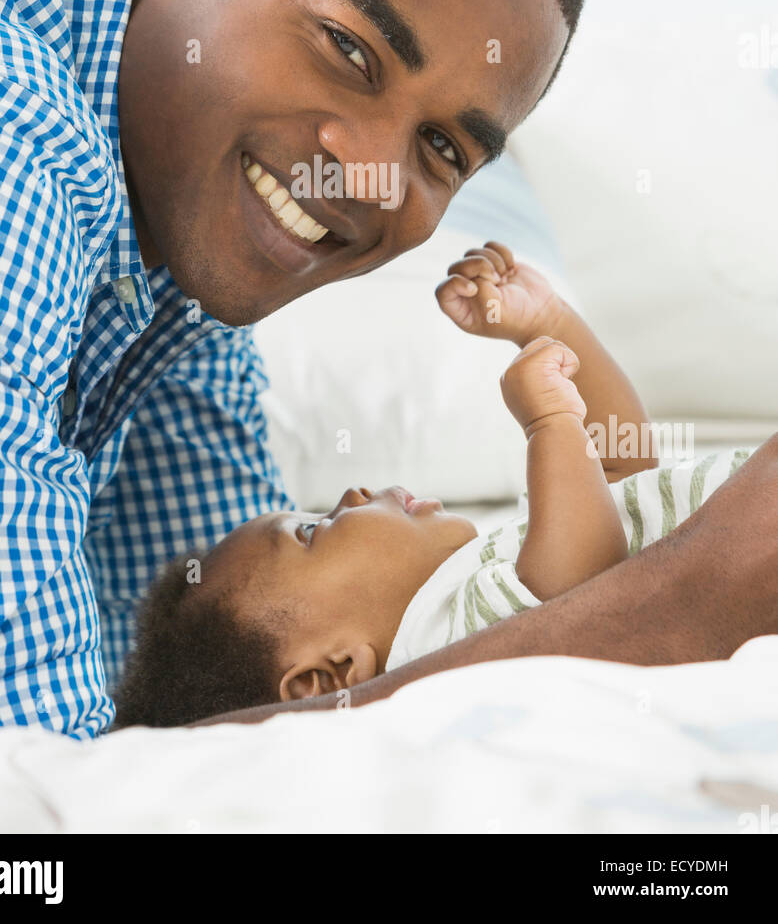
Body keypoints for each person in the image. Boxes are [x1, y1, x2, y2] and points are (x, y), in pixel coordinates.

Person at [0, 0, 587, 739]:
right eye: (348, 47)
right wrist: (679, 597)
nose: (364, 177)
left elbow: (225, 688)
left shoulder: (187, 260)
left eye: (441, 147)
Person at [111, 241, 754, 728]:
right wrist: (550, 422)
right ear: (329, 676)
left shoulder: (474, 586)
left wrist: (552, 325)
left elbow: (626, 474)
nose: (353, 494)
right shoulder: (447, 642)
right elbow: (588, 589)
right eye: (310, 531)